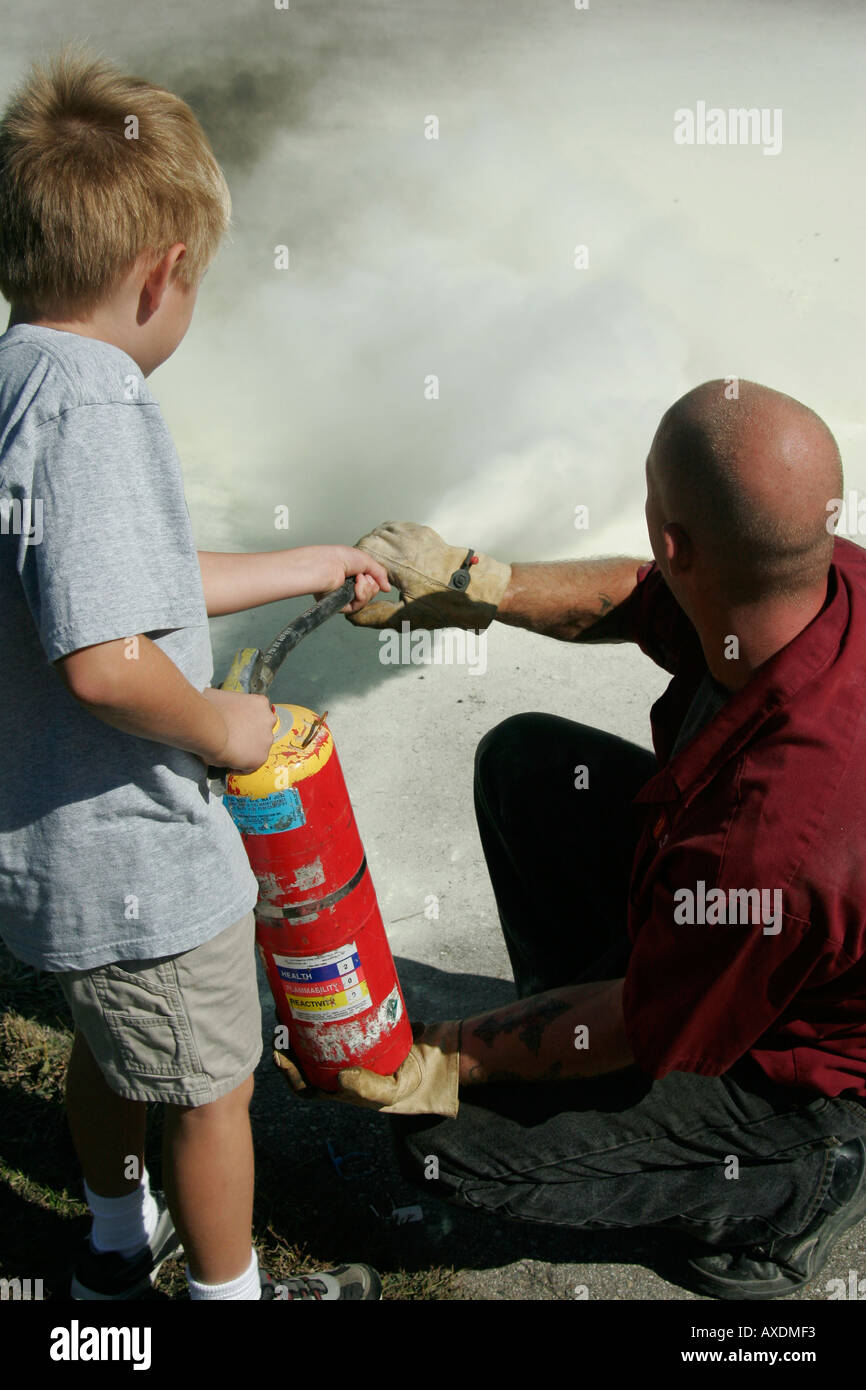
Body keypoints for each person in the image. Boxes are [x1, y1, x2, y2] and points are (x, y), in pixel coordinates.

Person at [279, 380, 866, 1300]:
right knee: (528, 766)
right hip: (733, 941)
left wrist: (438, 1051)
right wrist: (473, 586)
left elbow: (643, 1019)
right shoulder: (811, 583)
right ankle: (565, 1043)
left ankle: (794, 1196)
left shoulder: (778, 842)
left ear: (680, 540)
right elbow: (643, 600)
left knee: (450, 1145)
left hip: (802, 1070)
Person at [0, 46, 390, 1301]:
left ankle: (117, 1245)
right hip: (142, 856)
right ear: (163, 274)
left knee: (113, 1045)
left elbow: (120, 580)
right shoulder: (102, 409)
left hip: (58, 855)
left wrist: (299, 562)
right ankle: (232, 1297)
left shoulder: (18, 376)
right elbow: (111, 663)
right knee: (214, 1088)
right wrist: (226, 721)